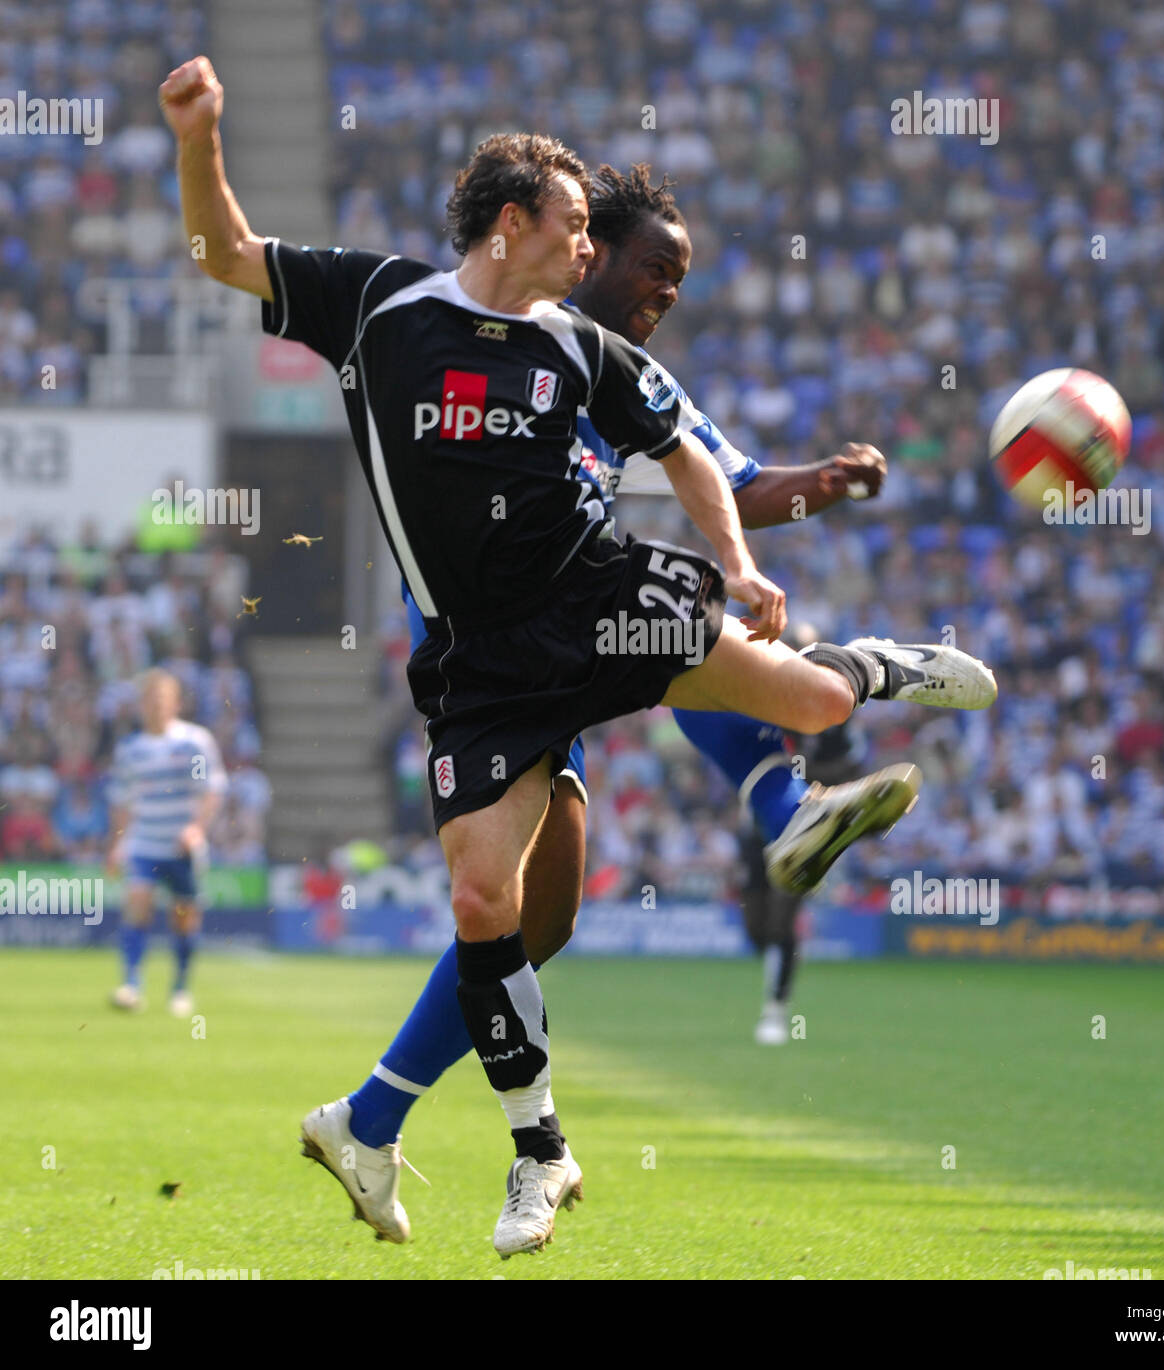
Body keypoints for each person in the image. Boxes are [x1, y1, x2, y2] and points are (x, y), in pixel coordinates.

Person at [160, 55, 990, 1259]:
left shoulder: (581, 347)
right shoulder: (379, 304)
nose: (608, 260)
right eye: (589, 234)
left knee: (806, 694)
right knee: (500, 907)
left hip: (597, 602)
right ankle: (505, 1143)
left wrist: (744, 560)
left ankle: (851, 708)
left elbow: (707, 462)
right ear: (519, 224)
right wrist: (198, 136)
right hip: (480, 664)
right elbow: (224, 253)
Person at [106, 669, 227, 1016]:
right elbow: (122, 801)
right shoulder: (130, 750)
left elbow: (211, 790)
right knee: (137, 903)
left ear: (175, 703)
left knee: (184, 917)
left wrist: (196, 828)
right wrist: (116, 844)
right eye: (150, 700)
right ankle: (131, 985)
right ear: (141, 705)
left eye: (163, 700)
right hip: (144, 842)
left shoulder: (194, 742)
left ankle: (180, 987)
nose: (157, 706)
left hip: (182, 846)